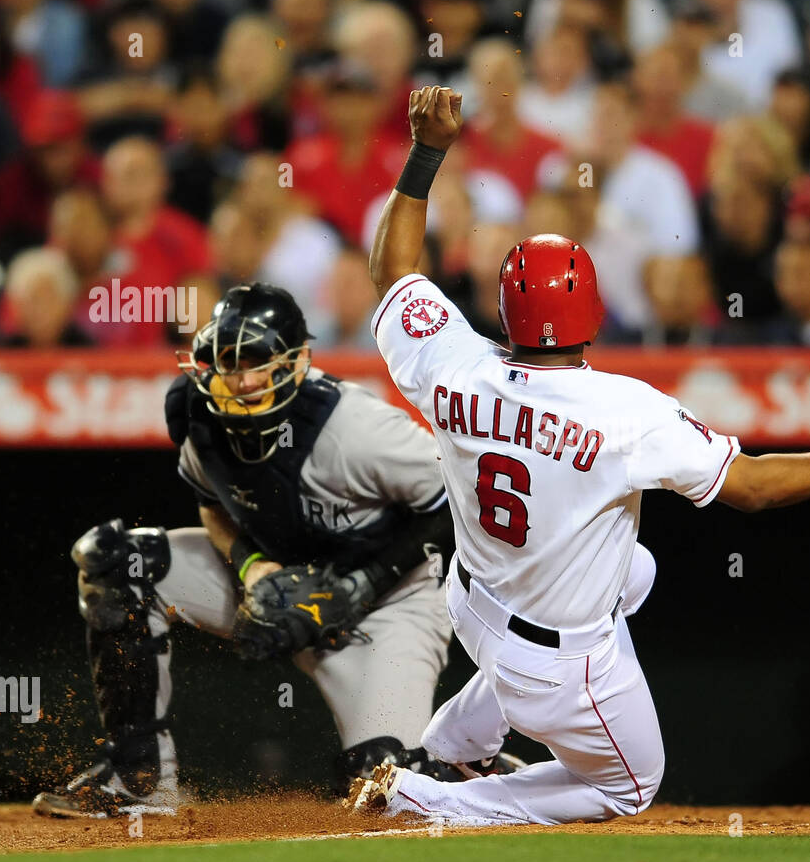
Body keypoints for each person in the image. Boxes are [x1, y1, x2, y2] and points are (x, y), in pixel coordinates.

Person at [346, 85, 810, 826]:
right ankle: (430, 796)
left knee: (636, 570)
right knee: (628, 787)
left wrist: (428, 151)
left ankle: (459, 735)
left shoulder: (454, 362)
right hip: (556, 661)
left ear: (506, 308)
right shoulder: (627, 411)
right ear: (591, 312)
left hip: (472, 601)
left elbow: (392, 272)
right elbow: (749, 488)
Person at [32, 282, 486, 818]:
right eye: (227, 363)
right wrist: (254, 569)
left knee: (386, 786)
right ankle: (138, 780)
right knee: (116, 564)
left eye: (256, 363)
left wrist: (359, 585)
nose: (241, 381)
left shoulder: (355, 428)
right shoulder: (197, 417)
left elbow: (458, 501)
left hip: (389, 602)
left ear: (294, 363)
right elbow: (215, 507)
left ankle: (478, 771)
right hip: (272, 576)